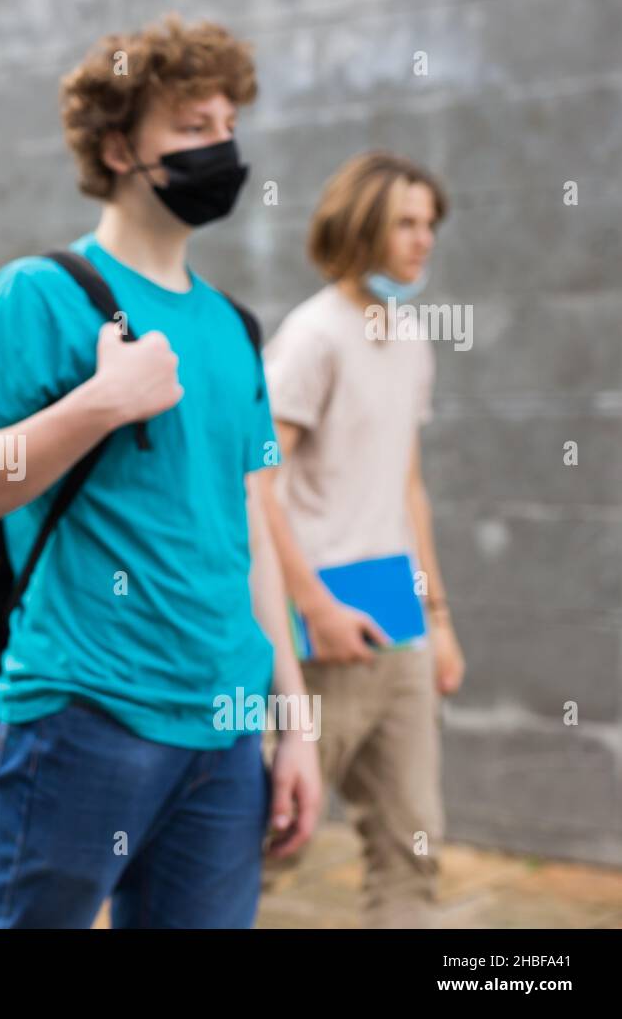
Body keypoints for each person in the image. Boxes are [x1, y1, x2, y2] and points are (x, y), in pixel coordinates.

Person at [0, 14, 320, 929]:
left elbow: (253, 531)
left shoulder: (234, 327)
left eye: (226, 126)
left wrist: (297, 726)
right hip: (85, 714)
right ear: (117, 145)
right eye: (190, 127)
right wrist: (101, 402)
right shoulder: (41, 294)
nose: (220, 146)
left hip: (226, 733)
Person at [257, 150, 466, 928]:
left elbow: (408, 487)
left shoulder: (412, 339)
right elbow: (258, 486)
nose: (423, 240)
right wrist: (316, 606)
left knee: (414, 848)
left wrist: (440, 623)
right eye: (406, 223)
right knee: (270, 844)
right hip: (321, 637)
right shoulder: (312, 337)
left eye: (430, 225)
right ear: (362, 226)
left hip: (399, 627)